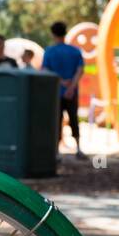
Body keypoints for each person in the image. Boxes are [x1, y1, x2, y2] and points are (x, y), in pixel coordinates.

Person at [40, 21, 87, 160]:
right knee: (74, 119)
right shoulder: (75, 51)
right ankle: (78, 149)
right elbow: (80, 70)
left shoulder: (49, 51)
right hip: (72, 93)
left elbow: (45, 70)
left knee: (56, 121)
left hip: (55, 92)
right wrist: (71, 86)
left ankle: (56, 152)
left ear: (53, 33)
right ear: (65, 32)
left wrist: (60, 81)